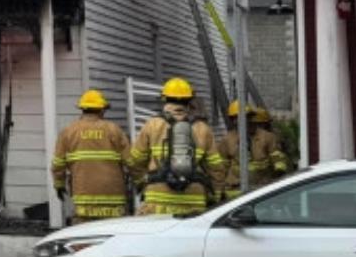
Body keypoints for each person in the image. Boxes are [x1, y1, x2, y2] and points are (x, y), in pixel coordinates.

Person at [126, 78, 225, 216]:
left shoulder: (152, 125)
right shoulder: (203, 129)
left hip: (157, 198)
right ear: (190, 101)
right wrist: (215, 195)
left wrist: (143, 182)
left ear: (165, 99)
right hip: (193, 200)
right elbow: (216, 169)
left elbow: (134, 161)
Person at [50, 89, 130, 223]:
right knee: (113, 238)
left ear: (82, 109)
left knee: (83, 240)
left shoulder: (68, 132)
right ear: (102, 110)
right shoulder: (114, 130)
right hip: (113, 199)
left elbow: (58, 163)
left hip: (83, 200)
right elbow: (131, 160)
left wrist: (59, 184)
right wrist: (140, 182)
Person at [216, 102, 290, 201]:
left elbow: (278, 159)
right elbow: (221, 167)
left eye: (243, 117)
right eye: (235, 118)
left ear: (250, 118)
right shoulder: (227, 140)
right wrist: (219, 191)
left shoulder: (267, 137)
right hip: (235, 191)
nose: (238, 121)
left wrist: (279, 174)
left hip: (260, 188)